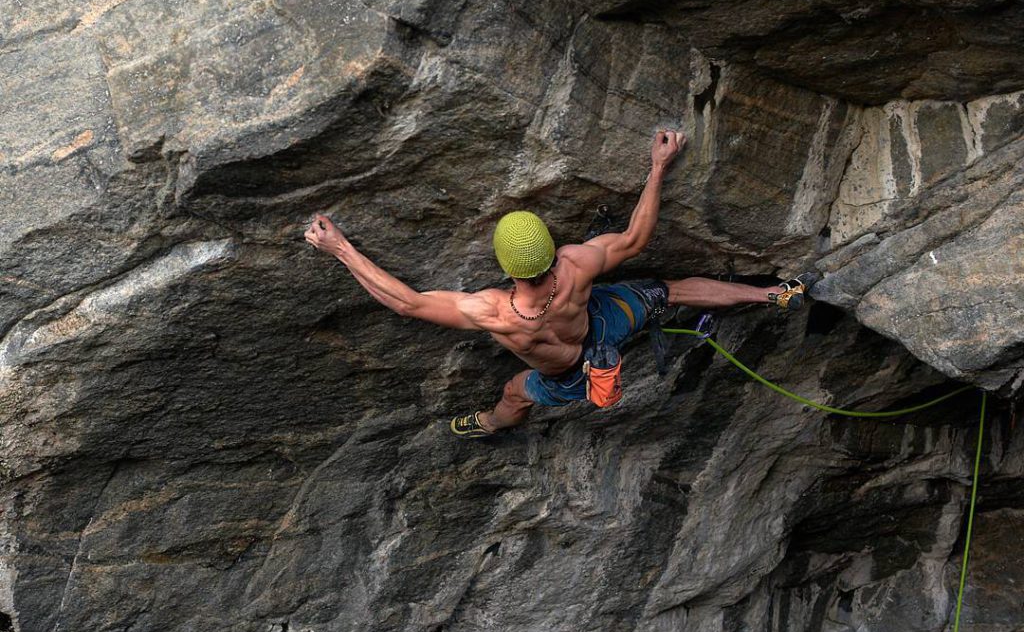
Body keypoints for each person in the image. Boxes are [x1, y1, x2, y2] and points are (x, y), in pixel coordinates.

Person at [304, 131, 817, 437]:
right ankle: (773, 293)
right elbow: (635, 239)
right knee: (671, 288)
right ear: (550, 249)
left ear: (505, 266)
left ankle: (487, 424)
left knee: (515, 394)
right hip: (604, 320)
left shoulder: (493, 311)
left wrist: (341, 248)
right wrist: (658, 167)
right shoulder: (575, 265)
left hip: (571, 372)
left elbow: (407, 304)